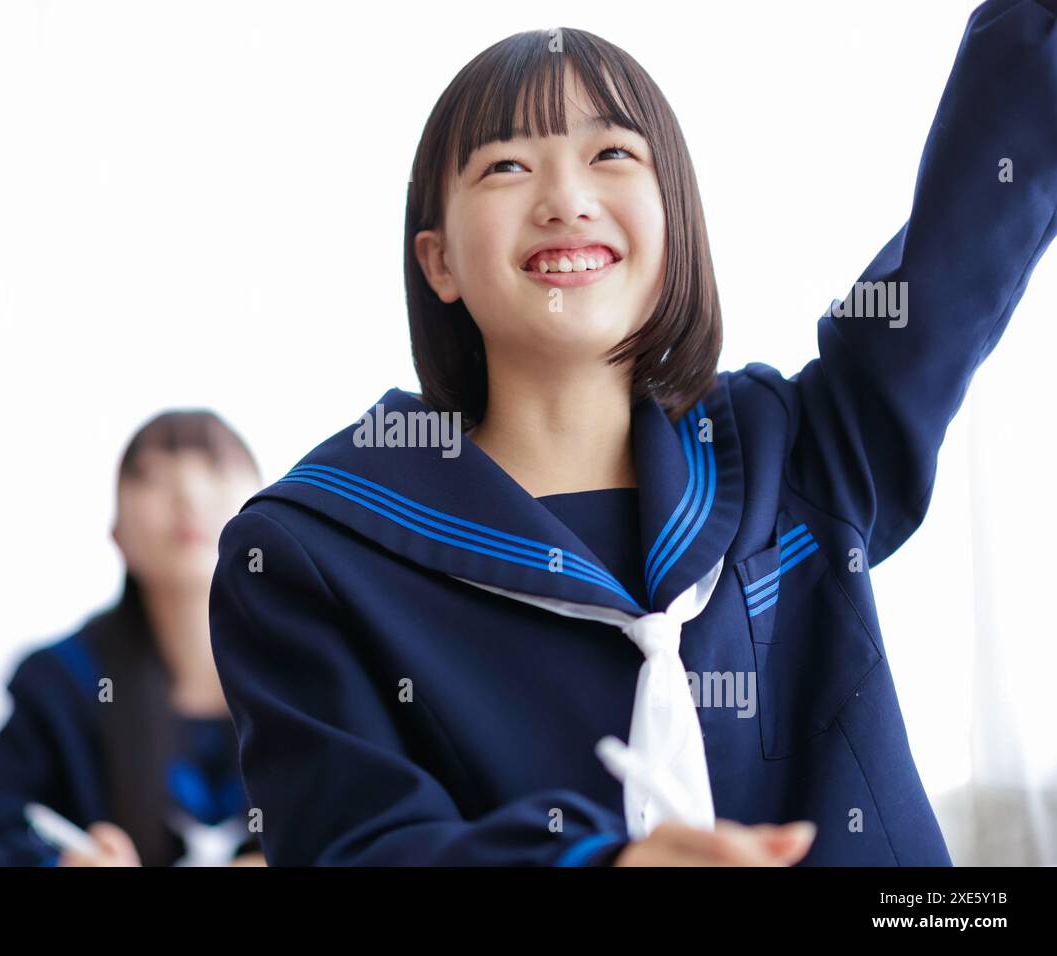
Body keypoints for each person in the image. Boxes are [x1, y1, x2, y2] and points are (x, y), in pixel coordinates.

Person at [207, 0, 1057, 865]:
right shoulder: (309, 555)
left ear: (674, 219)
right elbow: (362, 847)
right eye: (506, 166)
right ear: (440, 262)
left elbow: (963, 237)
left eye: (611, 153)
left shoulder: (796, 453)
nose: (566, 201)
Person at [0, 409, 266, 866]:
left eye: (216, 467)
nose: (188, 494)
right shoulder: (60, 684)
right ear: (117, 533)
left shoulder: (329, 673)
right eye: (154, 476)